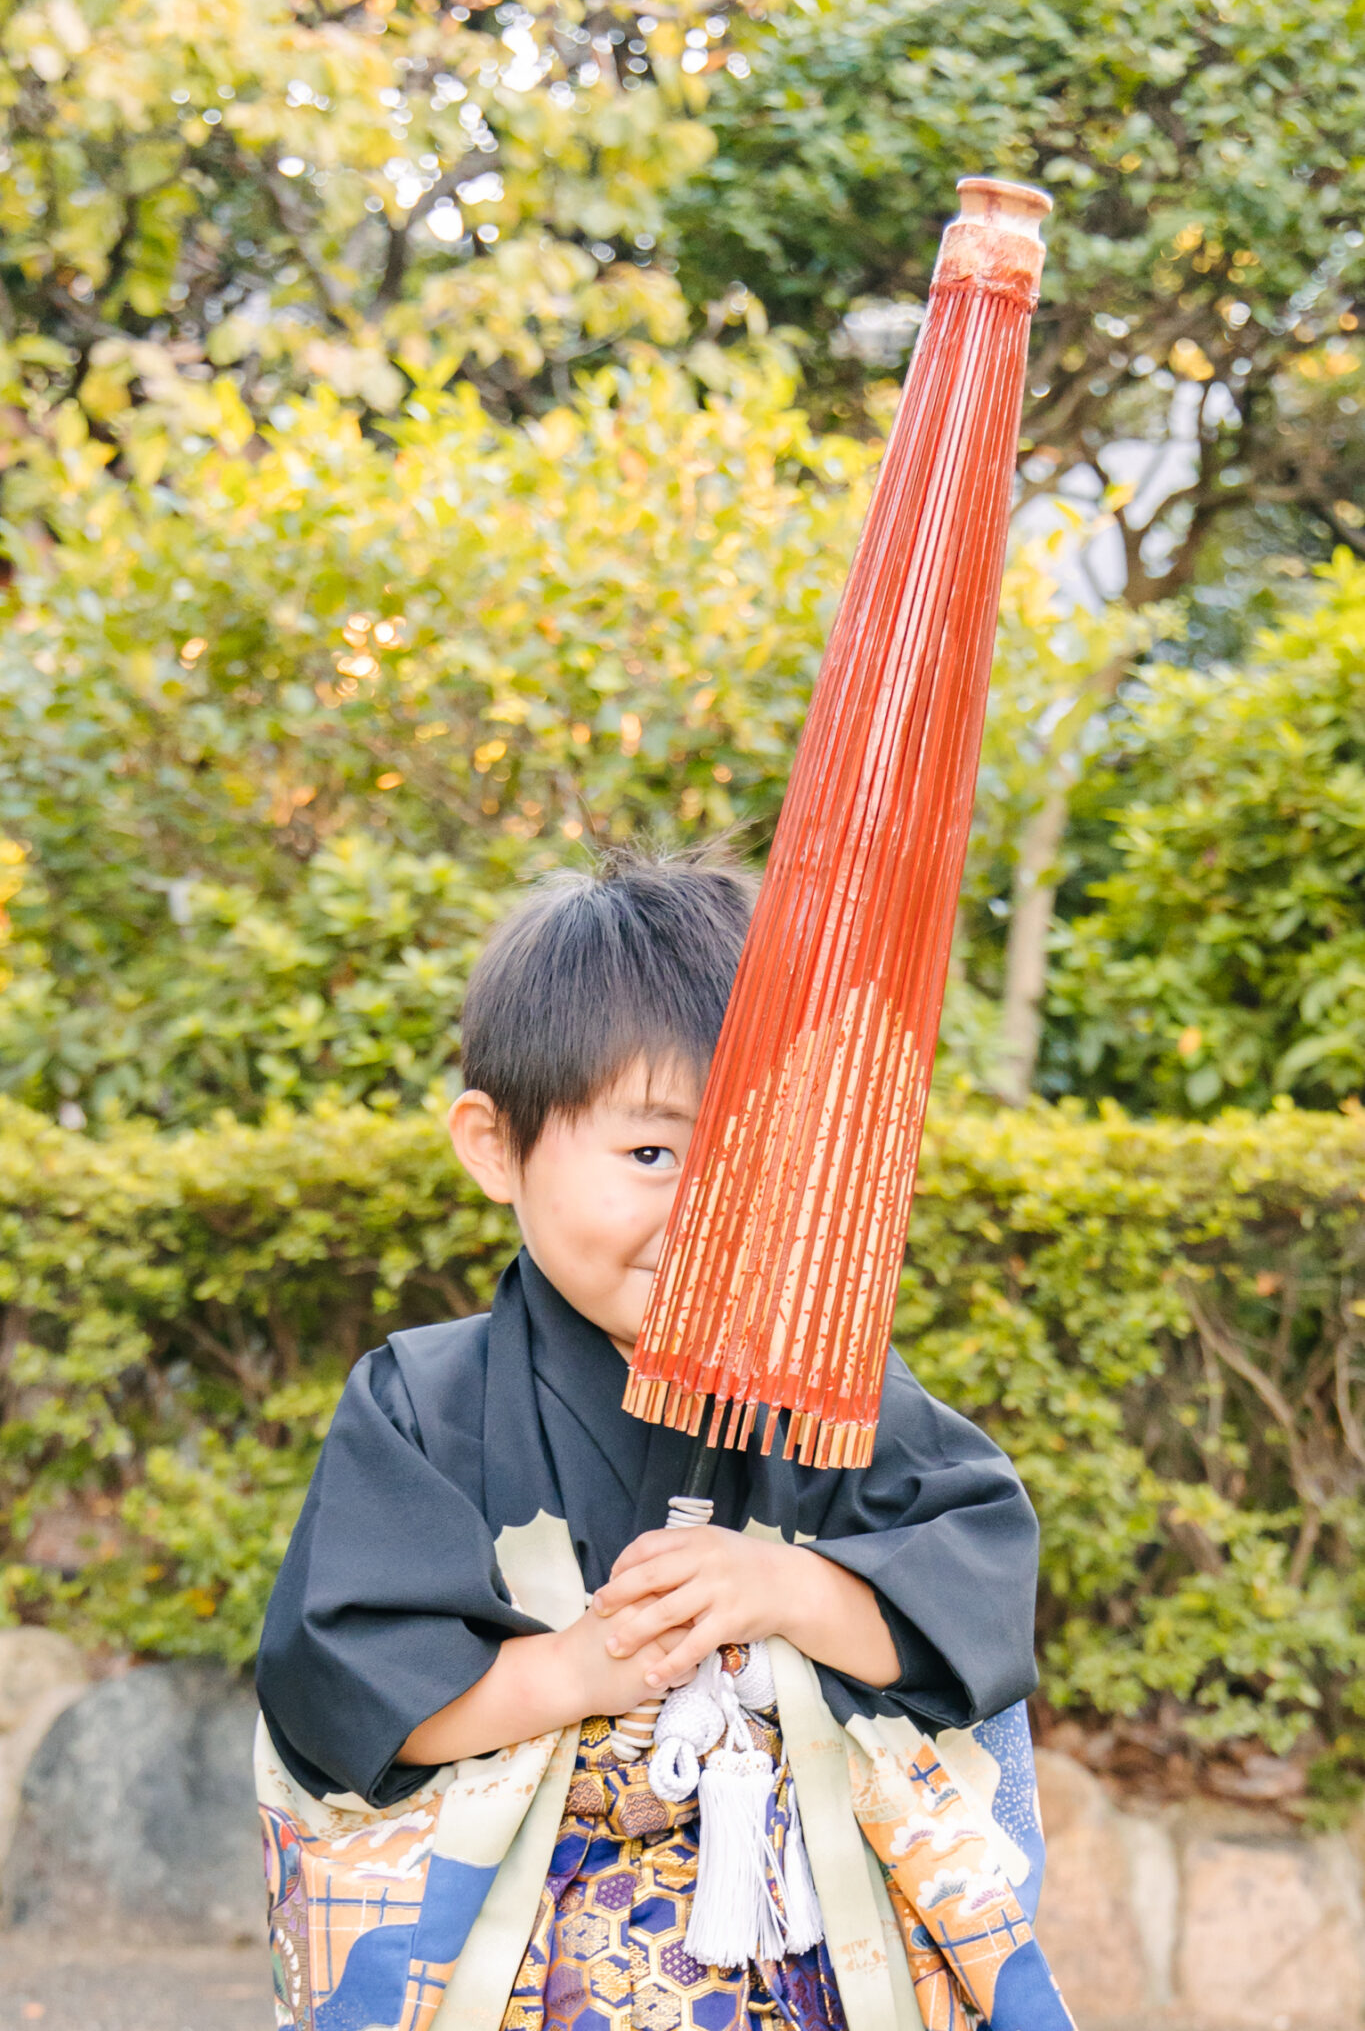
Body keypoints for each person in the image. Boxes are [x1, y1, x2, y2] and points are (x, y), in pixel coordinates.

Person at [254, 848, 1048, 2031]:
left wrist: (787, 1586)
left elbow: (975, 1591)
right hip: (524, 1972)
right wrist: (570, 1673)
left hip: (800, 1947)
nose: (712, 1212)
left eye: (756, 1155)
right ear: (493, 1145)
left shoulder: (828, 1382)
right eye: (654, 1152)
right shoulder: (423, 1397)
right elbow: (341, 1684)